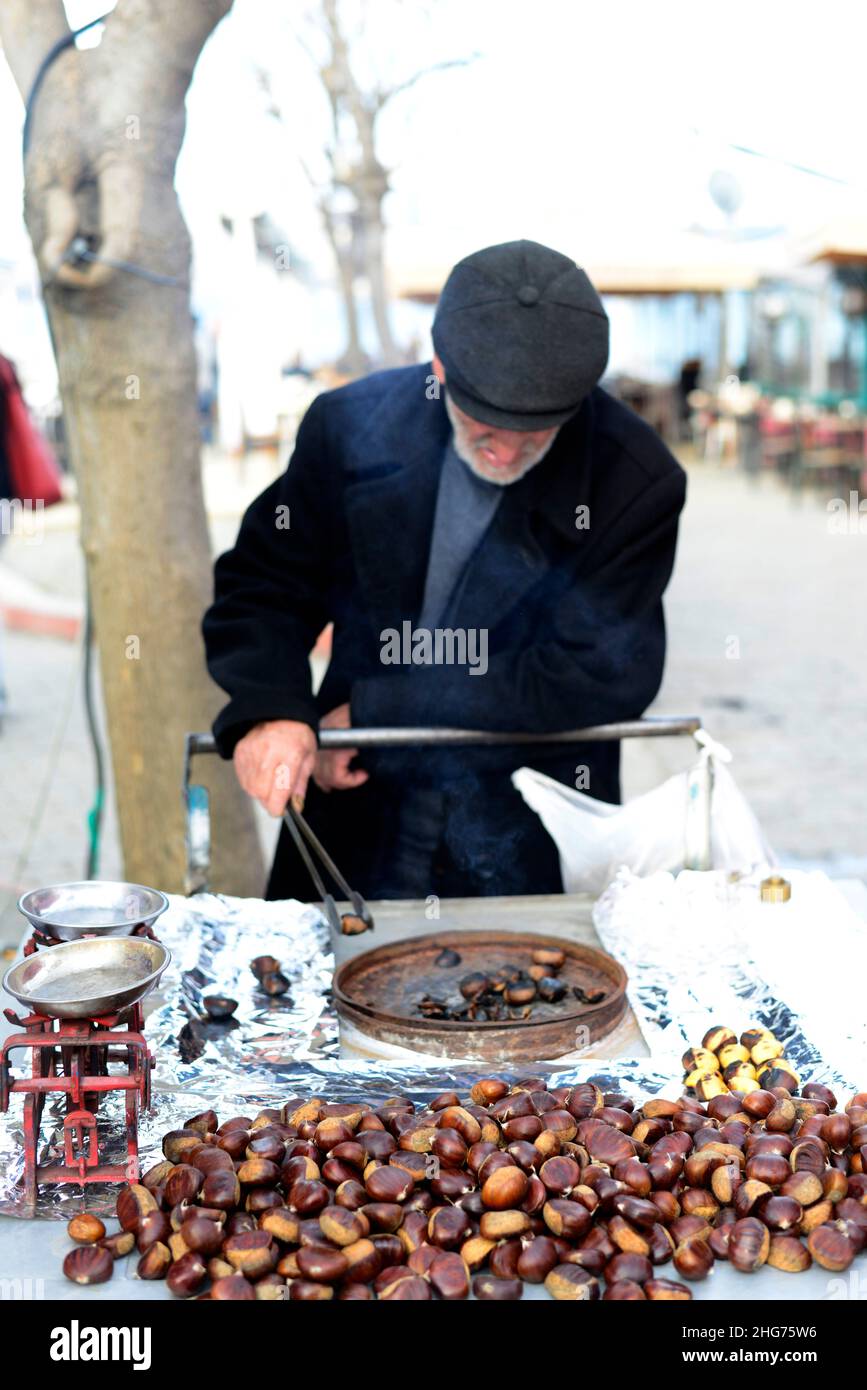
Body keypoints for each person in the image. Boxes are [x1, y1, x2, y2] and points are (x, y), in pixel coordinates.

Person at [203, 240, 686, 901]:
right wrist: (272, 709)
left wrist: (379, 708)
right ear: (439, 369)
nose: (507, 451)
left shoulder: (633, 477)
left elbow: (601, 672)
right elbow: (265, 584)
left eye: (536, 432)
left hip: (529, 807)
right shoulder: (349, 425)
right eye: (486, 425)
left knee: (531, 993)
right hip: (357, 795)